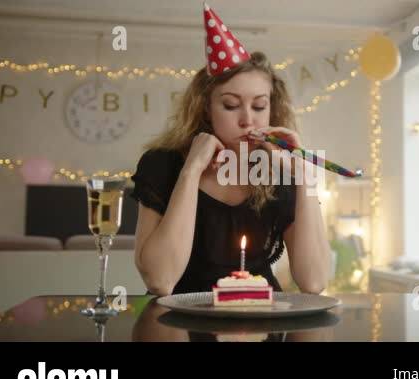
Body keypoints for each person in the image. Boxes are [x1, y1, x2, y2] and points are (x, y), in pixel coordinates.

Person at [130, 3, 330, 296]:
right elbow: (159, 280)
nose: (248, 119)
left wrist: (304, 176)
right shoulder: (162, 164)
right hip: (179, 327)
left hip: (259, 321)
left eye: (259, 106)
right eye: (231, 105)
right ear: (206, 109)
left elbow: (314, 281)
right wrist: (191, 171)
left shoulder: (281, 172)